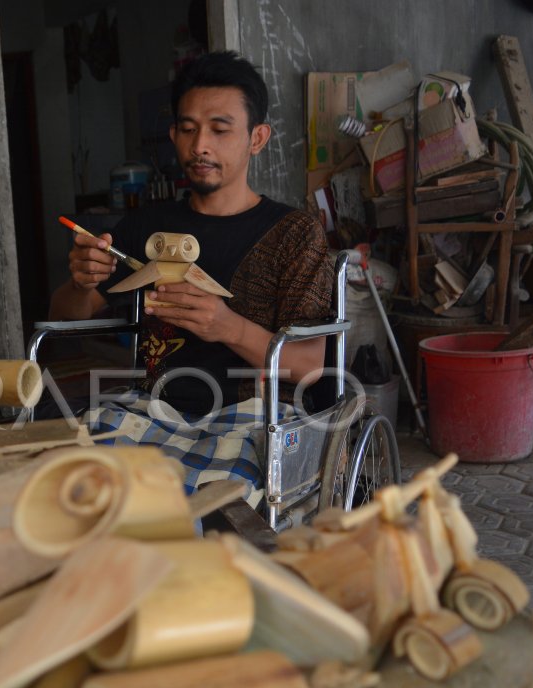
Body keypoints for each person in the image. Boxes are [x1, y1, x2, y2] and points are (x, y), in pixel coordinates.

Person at [48, 51, 333, 505]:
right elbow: (64, 318)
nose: (200, 145)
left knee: (194, 512)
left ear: (257, 138)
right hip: (151, 410)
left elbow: (308, 366)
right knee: (72, 484)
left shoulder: (294, 234)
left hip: (254, 418)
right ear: (173, 135)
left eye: (220, 130)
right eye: (187, 128)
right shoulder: (146, 227)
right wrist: (81, 283)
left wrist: (228, 327)